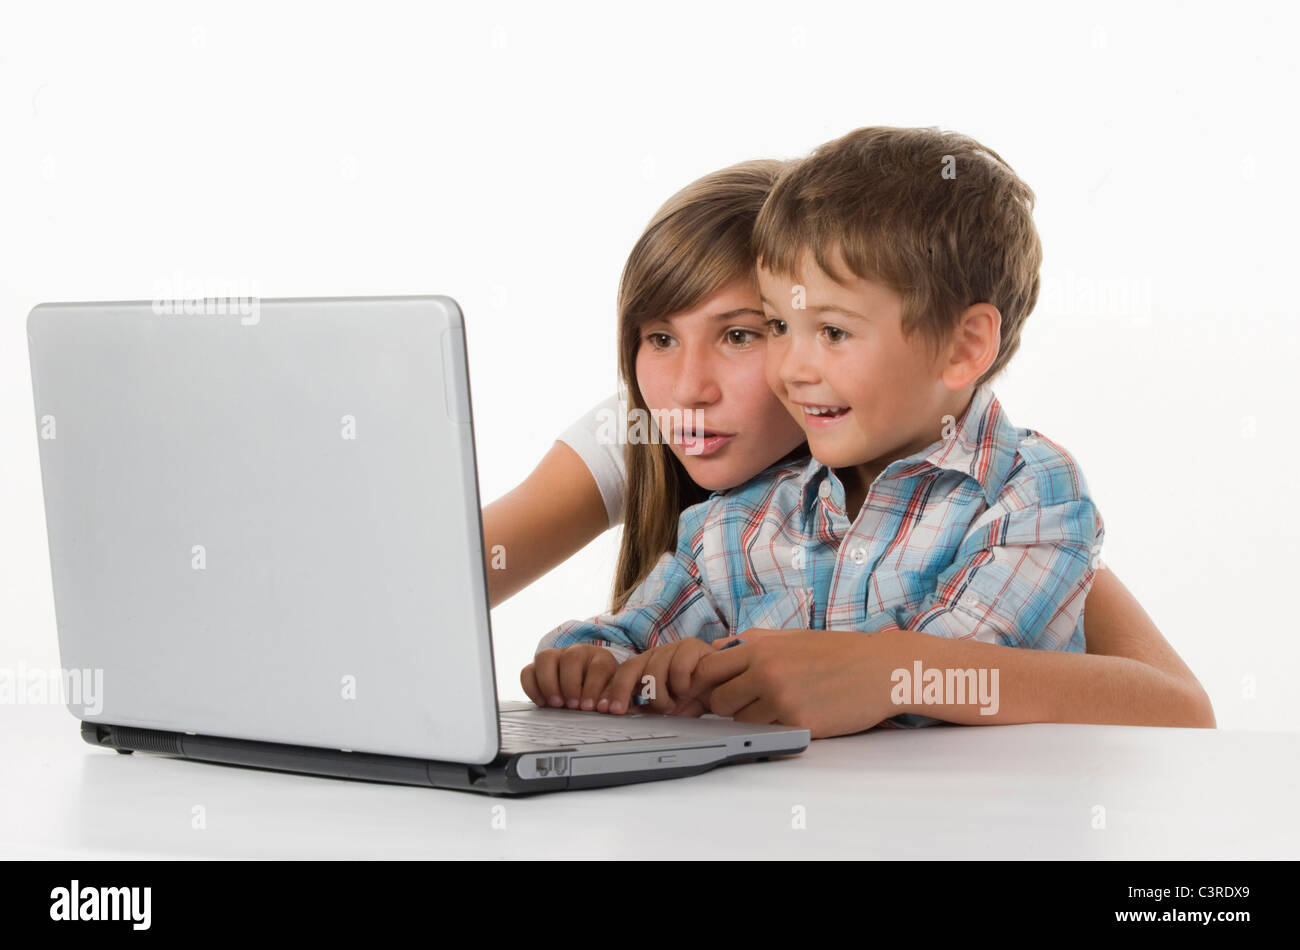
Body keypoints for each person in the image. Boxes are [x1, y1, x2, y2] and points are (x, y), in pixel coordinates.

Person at [487, 153, 1213, 735]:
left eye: (745, 332)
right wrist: (599, 665)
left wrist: (885, 669)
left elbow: (1171, 704)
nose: (686, 390)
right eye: (659, 338)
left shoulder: (1012, 497)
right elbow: (435, 589)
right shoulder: (675, 453)